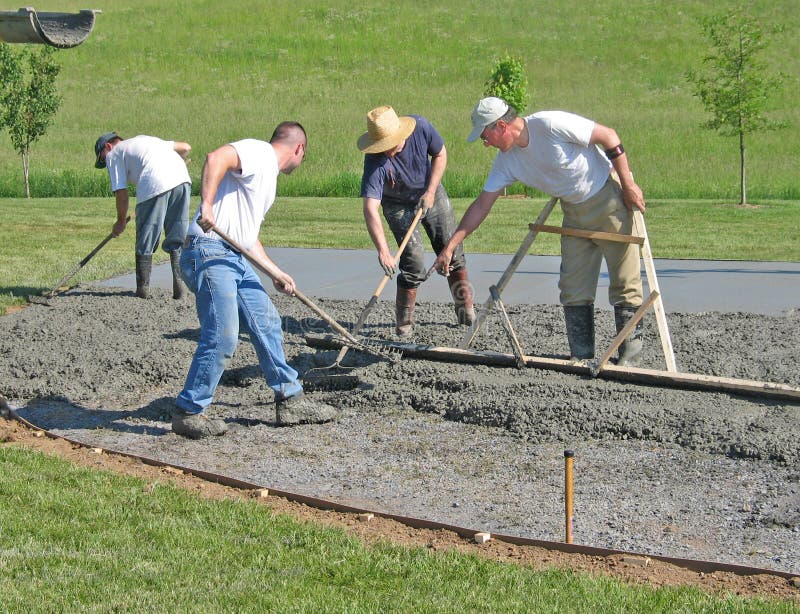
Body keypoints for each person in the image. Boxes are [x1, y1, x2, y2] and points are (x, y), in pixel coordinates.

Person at [434, 97, 647, 366]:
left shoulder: (549, 124)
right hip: (574, 214)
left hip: (609, 203)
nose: (485, 144)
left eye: (485, 136)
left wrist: (628, 185)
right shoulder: (506, 162)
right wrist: (451, 246)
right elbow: (481, 206)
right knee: (573, 287)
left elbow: (609, 136)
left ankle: (629, 360)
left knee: (626, 283)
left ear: (501, 126)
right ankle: (580, 357)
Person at [173, 122, 336, 439]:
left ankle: (290, 399)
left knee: (267, 322)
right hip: (209, 250)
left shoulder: (266, 177)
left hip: (233, 254)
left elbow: (246, 237)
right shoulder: (260, 152)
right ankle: (189, 411)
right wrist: (206, 205)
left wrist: (274, 271)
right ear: (299, 148)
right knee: (223, 335)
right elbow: (216, 157)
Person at [358, 105, 475, 337]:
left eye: (389, 145)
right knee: (413, 263)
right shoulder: (374, 161)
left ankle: (465, 310)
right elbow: (371, 207)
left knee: (451, 251)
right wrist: (383, 251)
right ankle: (404, 324)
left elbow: (440, 154)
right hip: (397, 204)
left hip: (431, 190)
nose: (386, 152)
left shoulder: (421, 128)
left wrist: (430, 192)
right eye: (381, 146)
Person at [94, 132, 192, 299]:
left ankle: (142, 290)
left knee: (146, 235)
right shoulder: (148, 141)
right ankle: (180, 289)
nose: (105, 163)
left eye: (102, 159)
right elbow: (185, 147)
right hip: (181, 179)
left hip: (154, 182)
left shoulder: (114, 154)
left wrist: (120, 221)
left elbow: (121, 194)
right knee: (178, 236)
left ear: (108, 147)